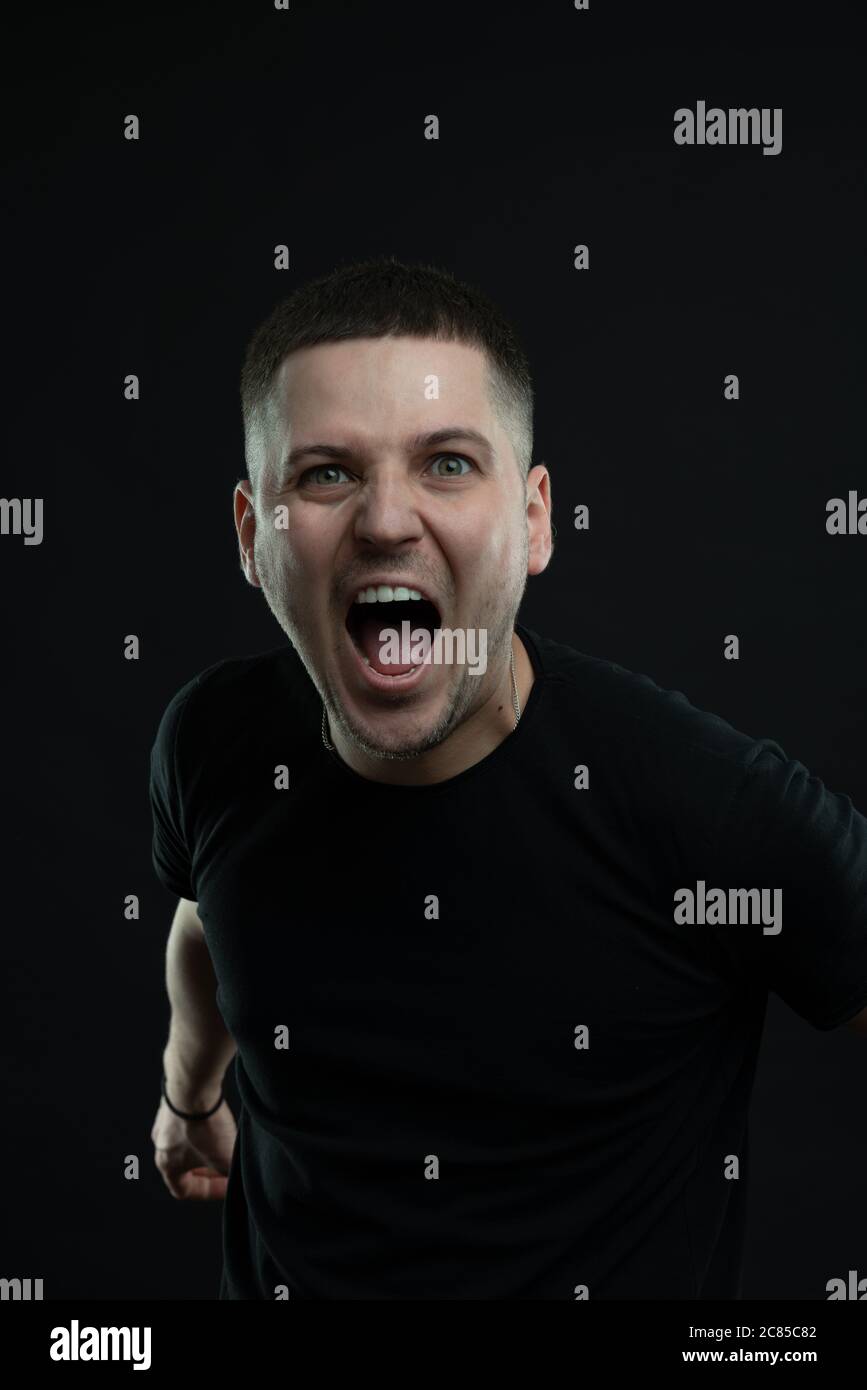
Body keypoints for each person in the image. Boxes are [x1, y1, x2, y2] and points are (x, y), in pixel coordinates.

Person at [149, 256, 867, 1299]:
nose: (388, 520)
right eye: (326, 473)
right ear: (256, 540)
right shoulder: (212, 741)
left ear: (533, 522)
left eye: (446, 463)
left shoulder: (696, 801)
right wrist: (188, 1099)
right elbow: (206, 921)